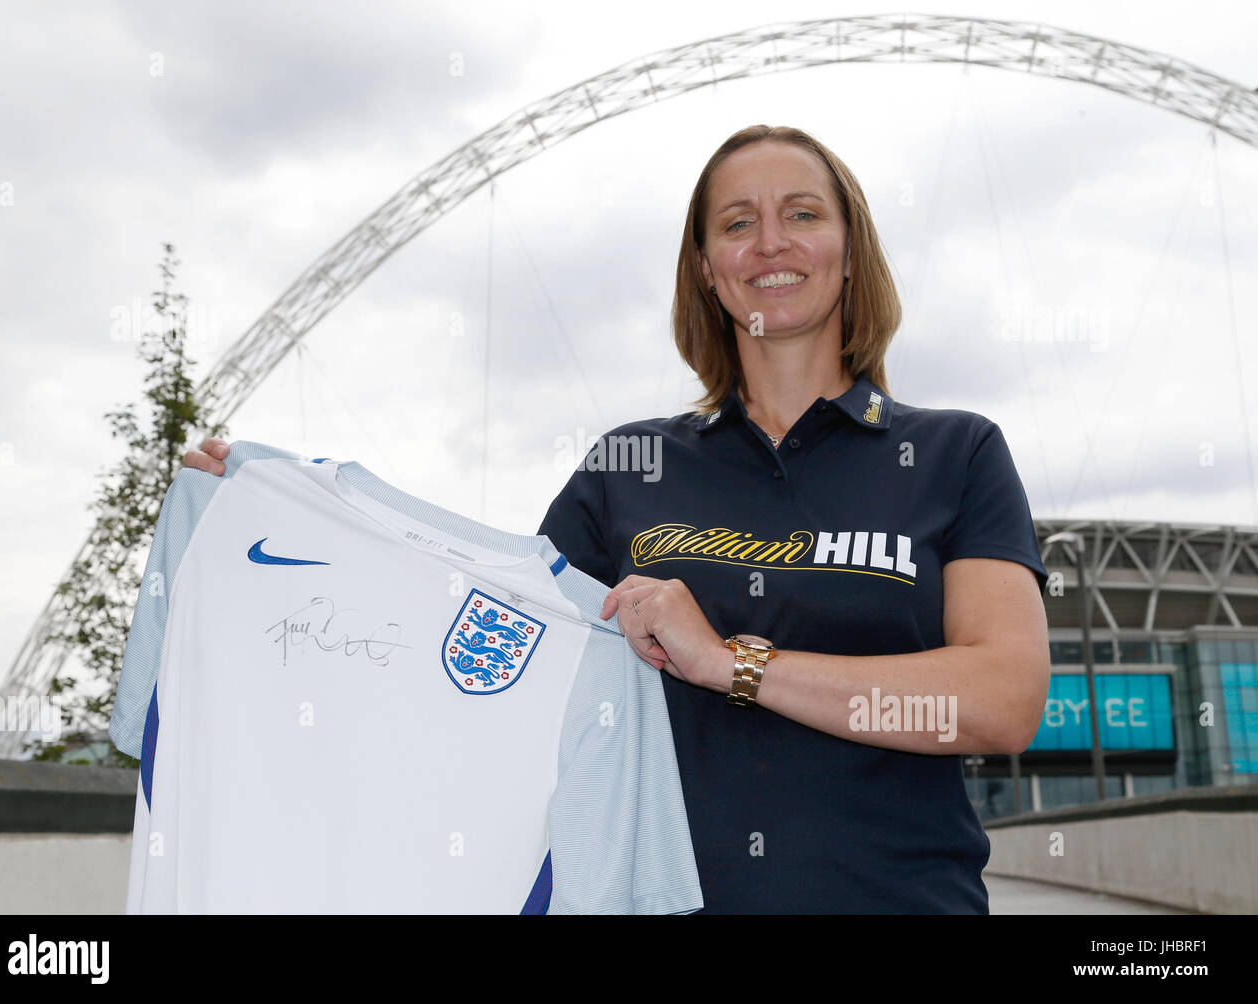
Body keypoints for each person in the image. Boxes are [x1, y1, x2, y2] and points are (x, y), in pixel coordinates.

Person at [181, 124, 1050, 914]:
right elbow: (487, 636)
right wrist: (297, 517)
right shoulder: (627, 467)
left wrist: (732, 664)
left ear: (850, 251)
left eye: (802, 214)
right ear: (707, 269)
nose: (772, 243)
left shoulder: (955, 454)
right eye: (737, 222)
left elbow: (1003, 701)